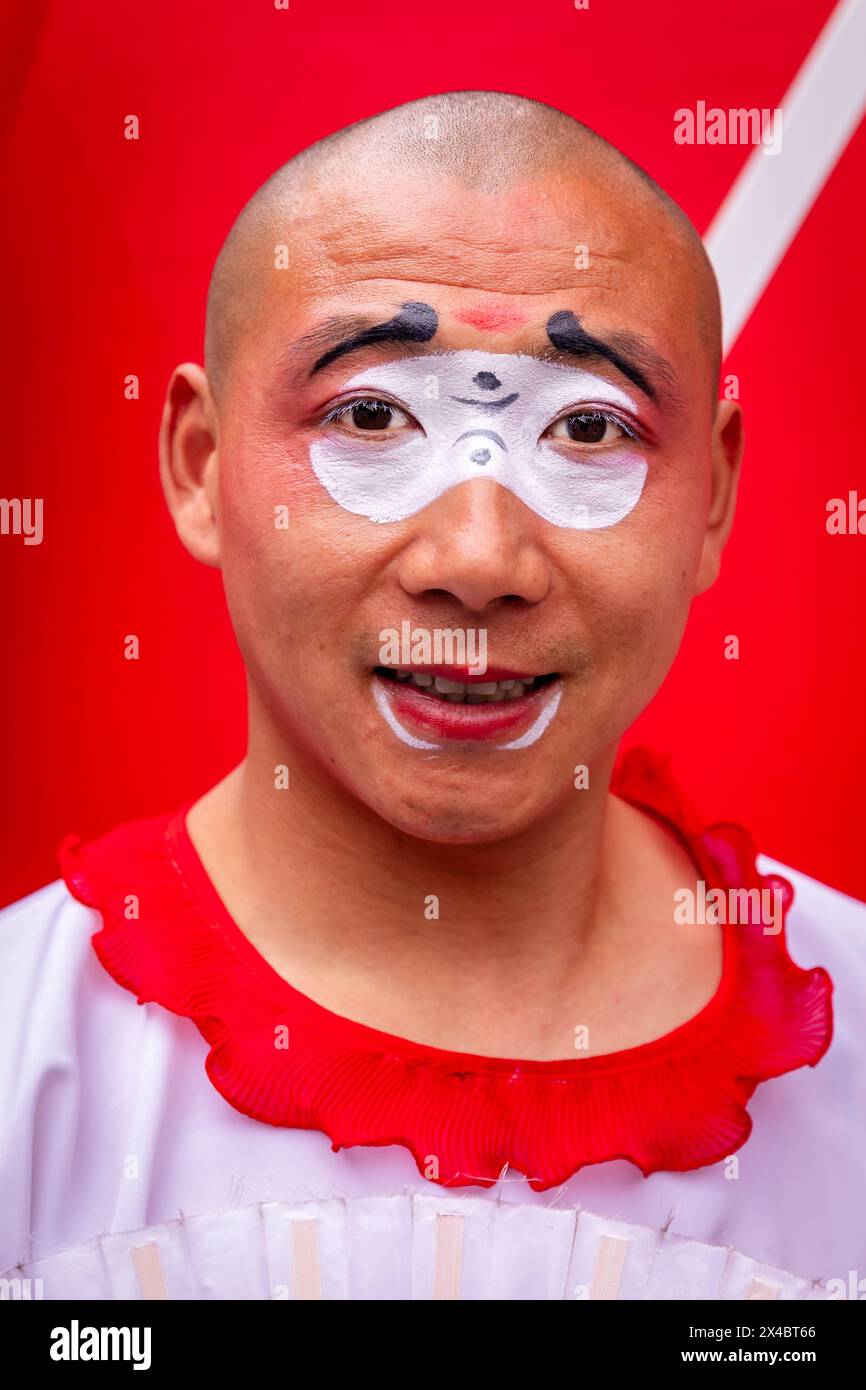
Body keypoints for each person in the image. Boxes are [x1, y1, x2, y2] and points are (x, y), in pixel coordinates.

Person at [1, 90, 864, 1303]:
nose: (476, 558)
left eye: (585, 430)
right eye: (368, 415)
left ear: (710, 499)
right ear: (199, 466)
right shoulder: (19, 1066)